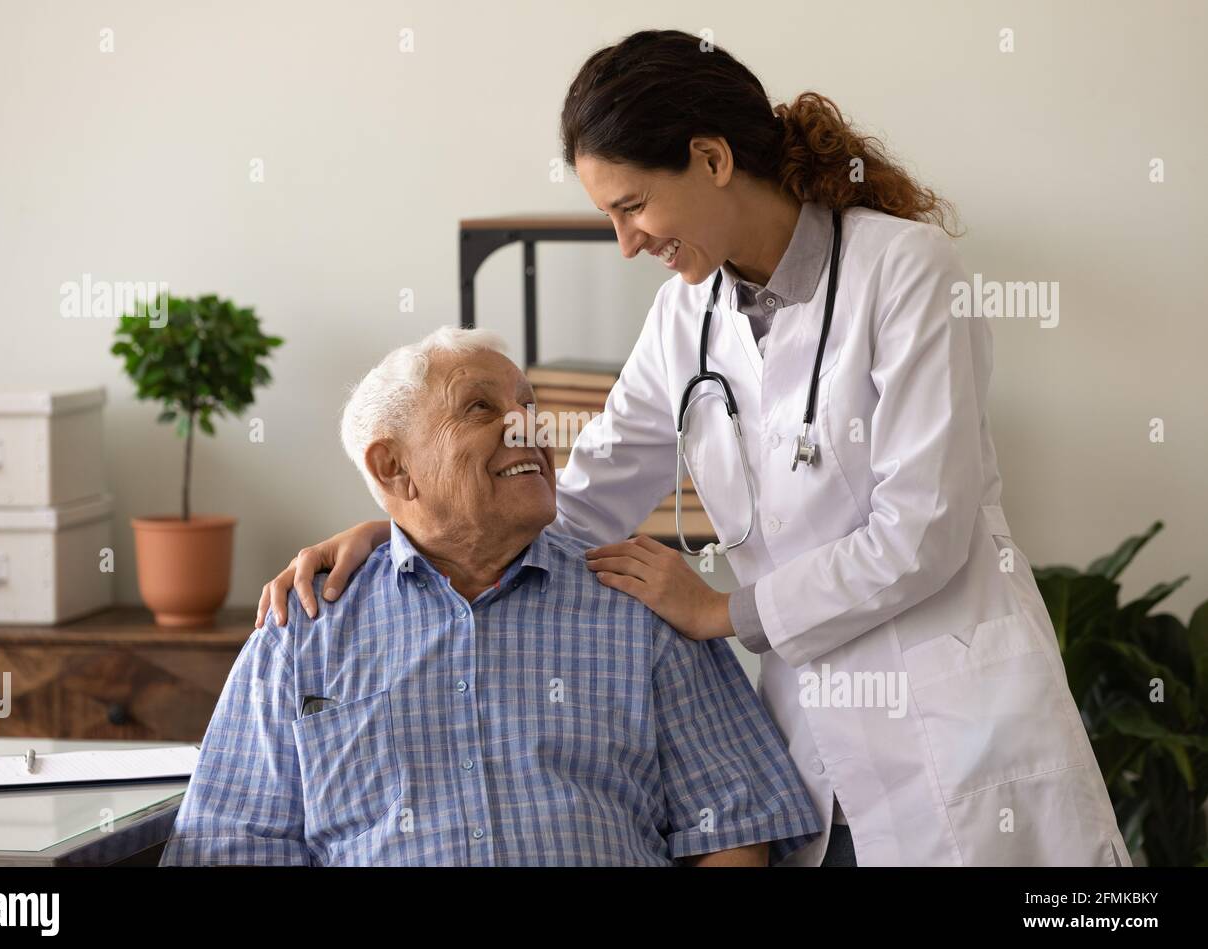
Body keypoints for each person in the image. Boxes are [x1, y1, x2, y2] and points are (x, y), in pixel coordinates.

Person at [253, 30, 1128, 866]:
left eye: (632, 206)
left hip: (958, 728)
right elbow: (580, 499)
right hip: (818, 743)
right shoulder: (687, 317)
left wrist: (722, 611)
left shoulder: (905, 269)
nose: (628, 243)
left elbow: (922, 533)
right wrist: (398, 535)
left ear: (712, 160)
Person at [163, 328, 821, 866]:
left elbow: (737, 825)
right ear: (393, 468)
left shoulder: (639, 599)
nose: (526, 428)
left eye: (530, 408)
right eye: (482, 408)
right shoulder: (301, 630)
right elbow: (229, 846)